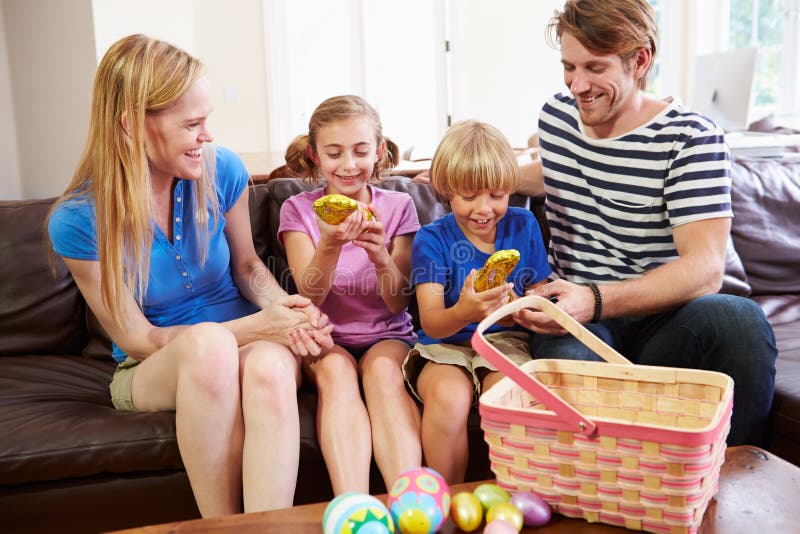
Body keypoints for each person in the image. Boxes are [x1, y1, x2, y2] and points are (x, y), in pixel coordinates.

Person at [46, 34, 334, 516]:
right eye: (193, 124)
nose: (208, 137)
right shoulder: (79, 220)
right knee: (210, 347)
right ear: (132, 126)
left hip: (249, 344)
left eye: (208, 121)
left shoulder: (220, 171)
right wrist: (253, 328)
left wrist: (280, 307)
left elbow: (247, 267)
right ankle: (219, 528)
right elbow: (141, 340)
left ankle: (270, 530)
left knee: (266, 366)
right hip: (155, 367)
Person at [512, 0, 777, 446]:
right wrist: (465, 173)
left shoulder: (690, 139)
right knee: (575, 367)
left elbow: (706, 269)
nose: (578, 85)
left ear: (639, 60)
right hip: (578, 323)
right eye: (568, 67)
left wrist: (594, 299)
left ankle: (733, 475)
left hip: (665, 322)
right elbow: (549, 173)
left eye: (594, 68)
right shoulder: (556, 120)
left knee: (740, 321)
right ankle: (610, 491)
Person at [278, 95, 422, 494]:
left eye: (360, 151)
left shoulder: (399, 206)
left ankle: (409, 502)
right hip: (327, 335)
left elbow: (398, 302)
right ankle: (353, 506)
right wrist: (330, 244)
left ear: (378, 152)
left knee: (381, 374)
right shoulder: (298, 210)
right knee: (338, 373)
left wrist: (378, 254)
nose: (348, 165)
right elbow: (311, 296)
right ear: (315, 155)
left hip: (387, 335)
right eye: (334, 153)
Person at [405, 120, 551, 484]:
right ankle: (449, 500)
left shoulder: (524, 225)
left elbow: (541, 297)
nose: (484, 209)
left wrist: (521, 306)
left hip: (504, 341)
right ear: (447, 192)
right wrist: (465, 311)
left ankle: (518, 494)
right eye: (469, 197)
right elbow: (432, 322)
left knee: (509, 395)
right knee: (448, 399)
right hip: (445, 346)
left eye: (496, 195)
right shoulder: (431, 239)